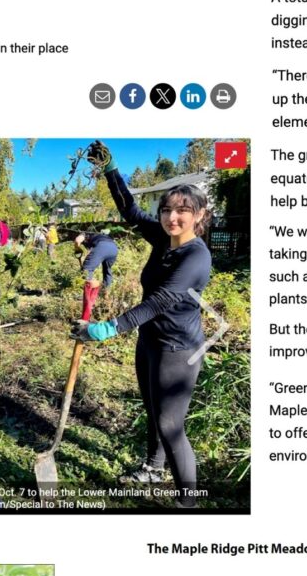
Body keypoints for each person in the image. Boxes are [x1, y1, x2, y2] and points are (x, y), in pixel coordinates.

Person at [74, 143, 212, 505]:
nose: (172, 217)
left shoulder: (196, 255)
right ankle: (153, 468)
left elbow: (162, 299)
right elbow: (131, 211)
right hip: (151, 340)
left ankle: (188, 503)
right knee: (153, 411)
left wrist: (108, 328)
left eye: (183, 211)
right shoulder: (163, 239)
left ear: (199, 215)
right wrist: (110, 171)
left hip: (178, 350)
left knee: (171, 425)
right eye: (167, 209)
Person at [73, 230, 117, 304]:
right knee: (107, 270)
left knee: (87, 268)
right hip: (114, 248)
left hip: (103, 246)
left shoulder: (85, 234)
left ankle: (88, 295)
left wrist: (77, 248)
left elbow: (77, 241)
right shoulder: (98, 236)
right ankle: (106, 294)